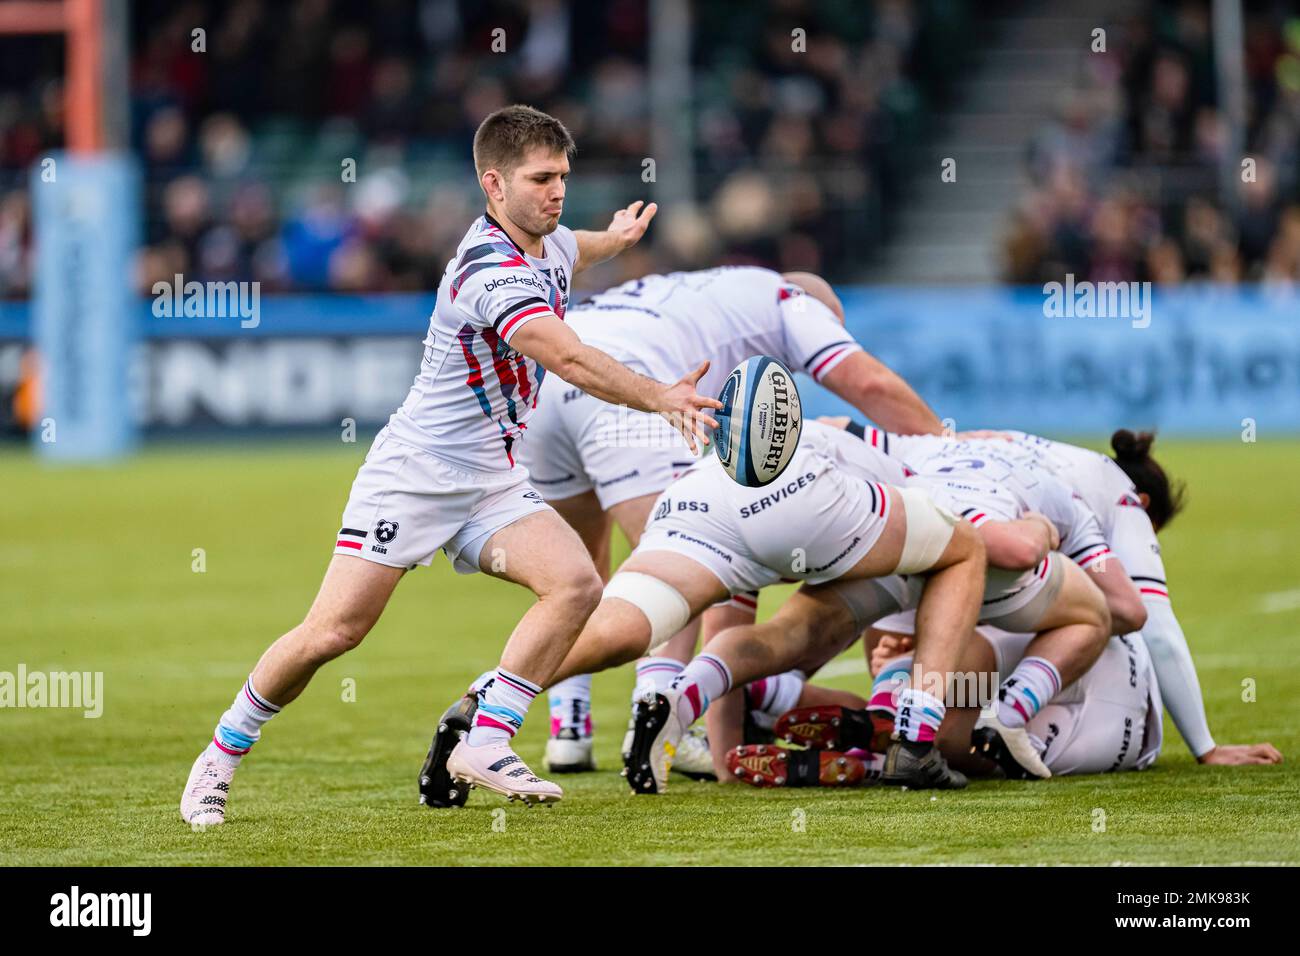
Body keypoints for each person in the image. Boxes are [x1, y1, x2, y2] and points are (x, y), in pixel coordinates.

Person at [180, 105, 723, 822]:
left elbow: (576, 248)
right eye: (541, 179)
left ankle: (488, 738)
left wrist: (616, 238)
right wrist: (660, 396)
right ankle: (221, 753)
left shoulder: (550, 240)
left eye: (563, 176)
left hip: (492, 480)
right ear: (494, 185)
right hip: (416, 476)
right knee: (333, 633)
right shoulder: (487, 271)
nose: (557, 192)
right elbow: (565, 356)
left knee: (575, 586)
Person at [518, 266, 943, 773]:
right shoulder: (792, 299)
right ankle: (653, 715)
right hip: (628, 380)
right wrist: (943, 455)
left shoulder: (712, 291)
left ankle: (570, 727)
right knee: (681, 556)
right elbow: (869, 382)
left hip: (548, 379)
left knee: (580, 571)